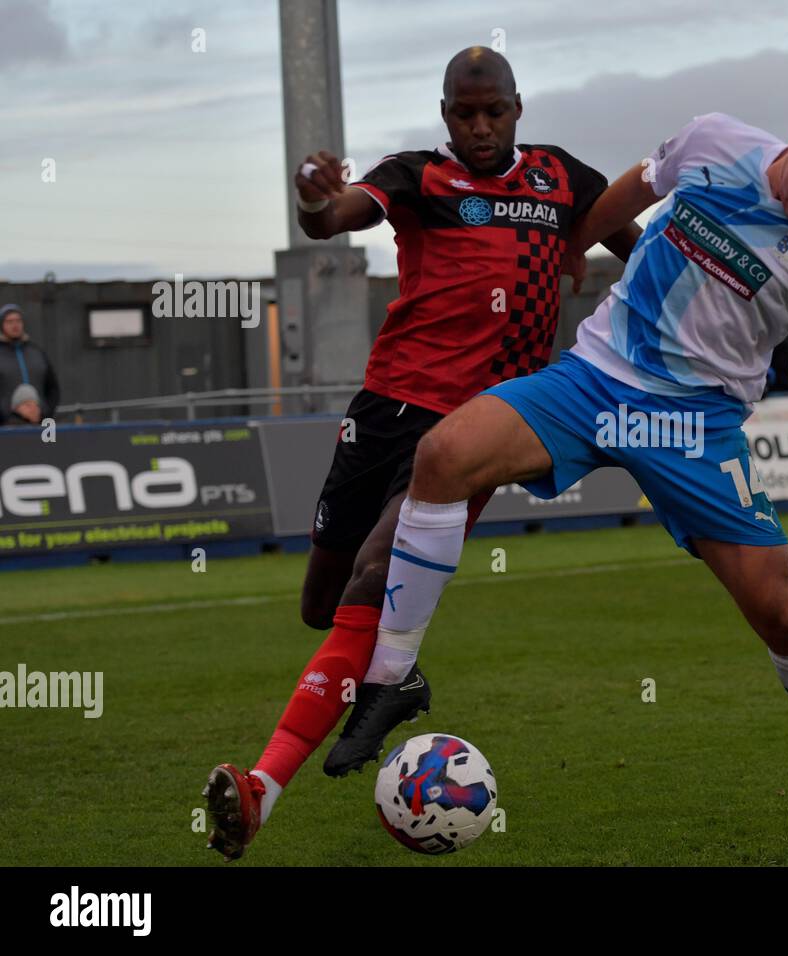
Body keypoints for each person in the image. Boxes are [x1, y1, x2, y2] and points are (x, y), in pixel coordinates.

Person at [227, 96, 788, 852]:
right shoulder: (715, 140)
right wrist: (580, 240)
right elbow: (638, 185)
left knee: (782, 614)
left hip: (695, 427)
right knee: (443, 456)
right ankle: (395, 676)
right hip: (595, 378)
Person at [204, 47, 640, 861]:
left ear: (517, 108)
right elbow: (337, 218)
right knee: (325, 604)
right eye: (464, 114)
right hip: (384, 408)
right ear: (446, 115)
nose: (480, 127)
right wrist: (312, 200)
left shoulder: (562, 178)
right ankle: (383, 668)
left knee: (379, 567)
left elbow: (638, 249)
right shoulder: (416, 176)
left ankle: (264, 784)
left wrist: (602, 279)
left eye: (494, 112)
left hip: (479, 423)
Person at [0, 305, 60, 424]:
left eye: (18, 320)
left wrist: (45, 412)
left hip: (40, 424)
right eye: (10, 321)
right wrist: (6, 414)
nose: (15, 325)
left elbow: (53, 389)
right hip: (6, 427)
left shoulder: (37, 352)